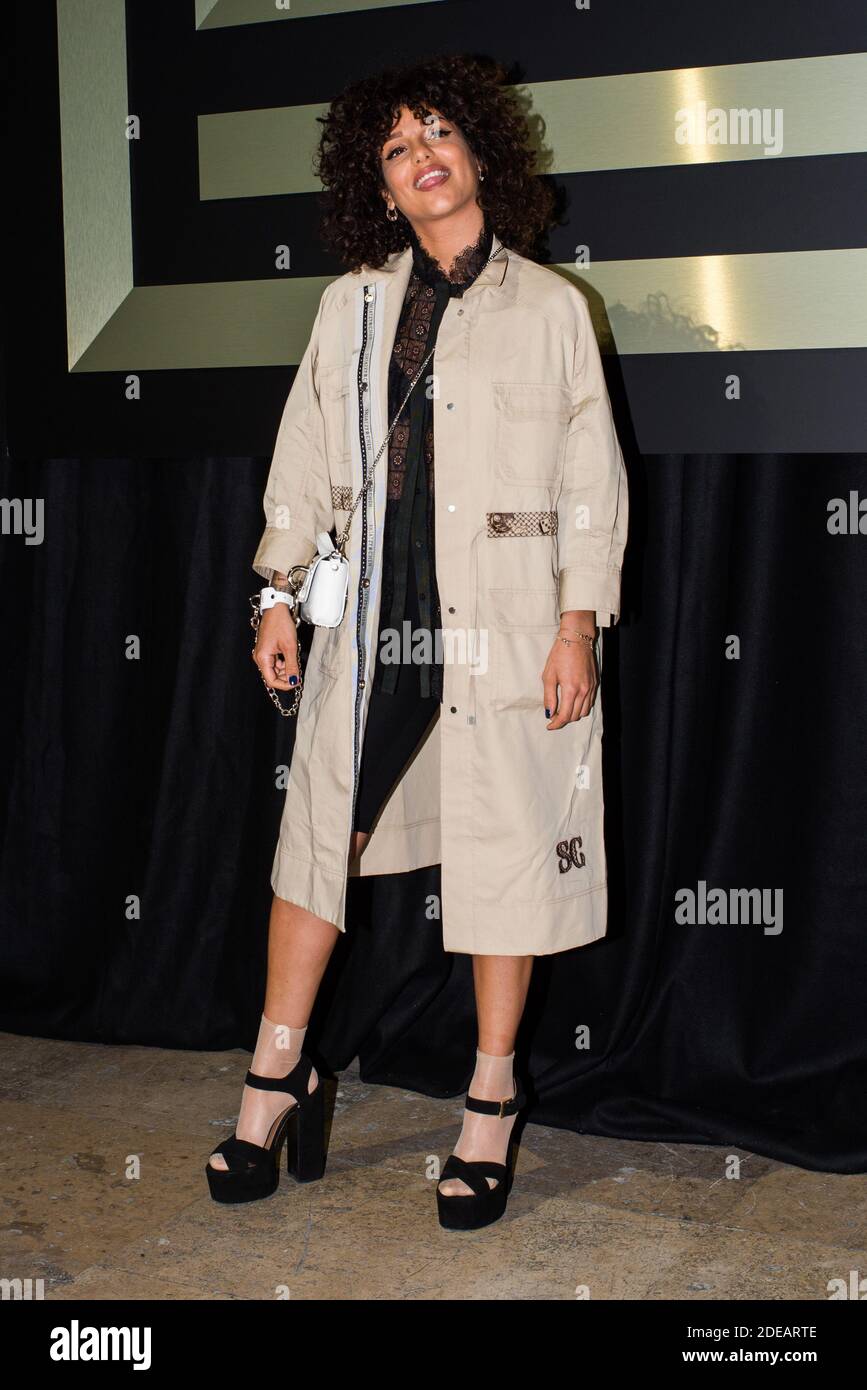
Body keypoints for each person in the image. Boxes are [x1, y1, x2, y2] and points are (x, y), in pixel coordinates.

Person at [207, 54, 628, 1231]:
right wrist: (276, 593)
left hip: (503, 628)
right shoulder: (349, 305)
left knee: (502, 856)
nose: (421, 155)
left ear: (481, 150)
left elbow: (591, 480)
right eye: (395, 147)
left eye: (438, 131)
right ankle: (277, 1071)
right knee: (315, 845)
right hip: (375, 629)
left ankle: (490, 1100)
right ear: (378, 185)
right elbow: (302, 457)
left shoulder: (553, 309)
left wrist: (575, 622)